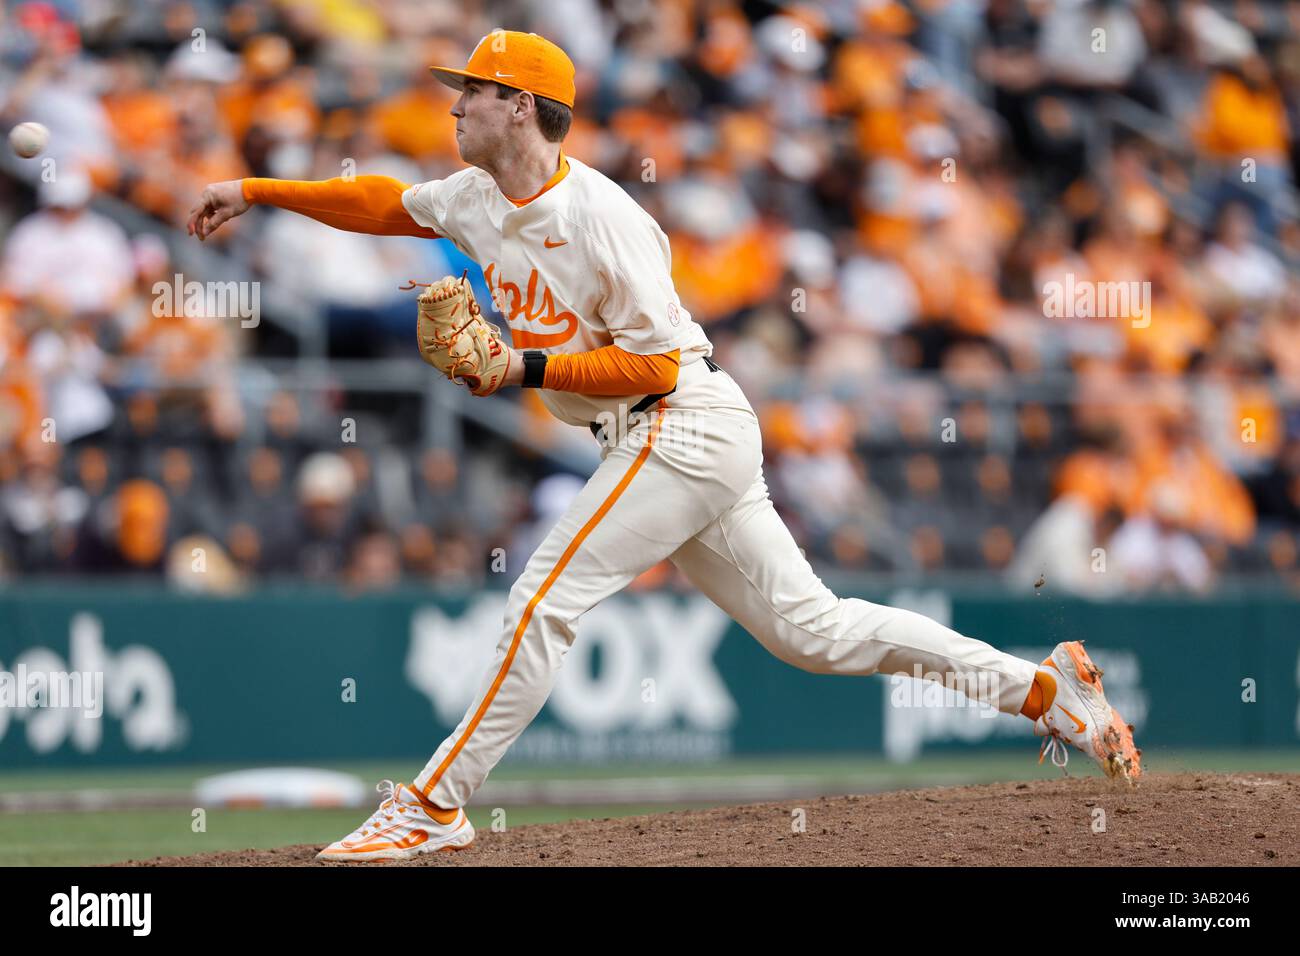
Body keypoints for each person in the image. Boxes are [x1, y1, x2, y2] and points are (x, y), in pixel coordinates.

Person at [187, 30, 1141, 863]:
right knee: (813, 632)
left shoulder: (607, 220)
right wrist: (257, 190)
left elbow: (652, 371)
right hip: (663, 438)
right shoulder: (478, 195)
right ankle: (1047, 690)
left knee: (542, 598)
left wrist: (516, 372)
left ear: (520, 108)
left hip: (679, 423)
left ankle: (435, 804)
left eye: (471, 91)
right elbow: (388, 203)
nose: (456, 104)